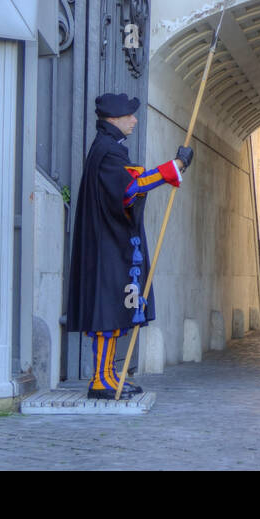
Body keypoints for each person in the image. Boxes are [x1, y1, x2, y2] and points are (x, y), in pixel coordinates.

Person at [65, 92, 195, 399]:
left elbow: (132, 182)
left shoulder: (110, 149)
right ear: (113, 119)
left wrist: (171, 170)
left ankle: (109, 373)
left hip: (112, 242)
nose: (135, 120)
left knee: (115, 308)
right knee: (108, 310)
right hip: (107, 245)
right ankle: (100, 379)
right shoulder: (108, 151)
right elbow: (131, 187)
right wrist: (175, 166)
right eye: (130, 116)